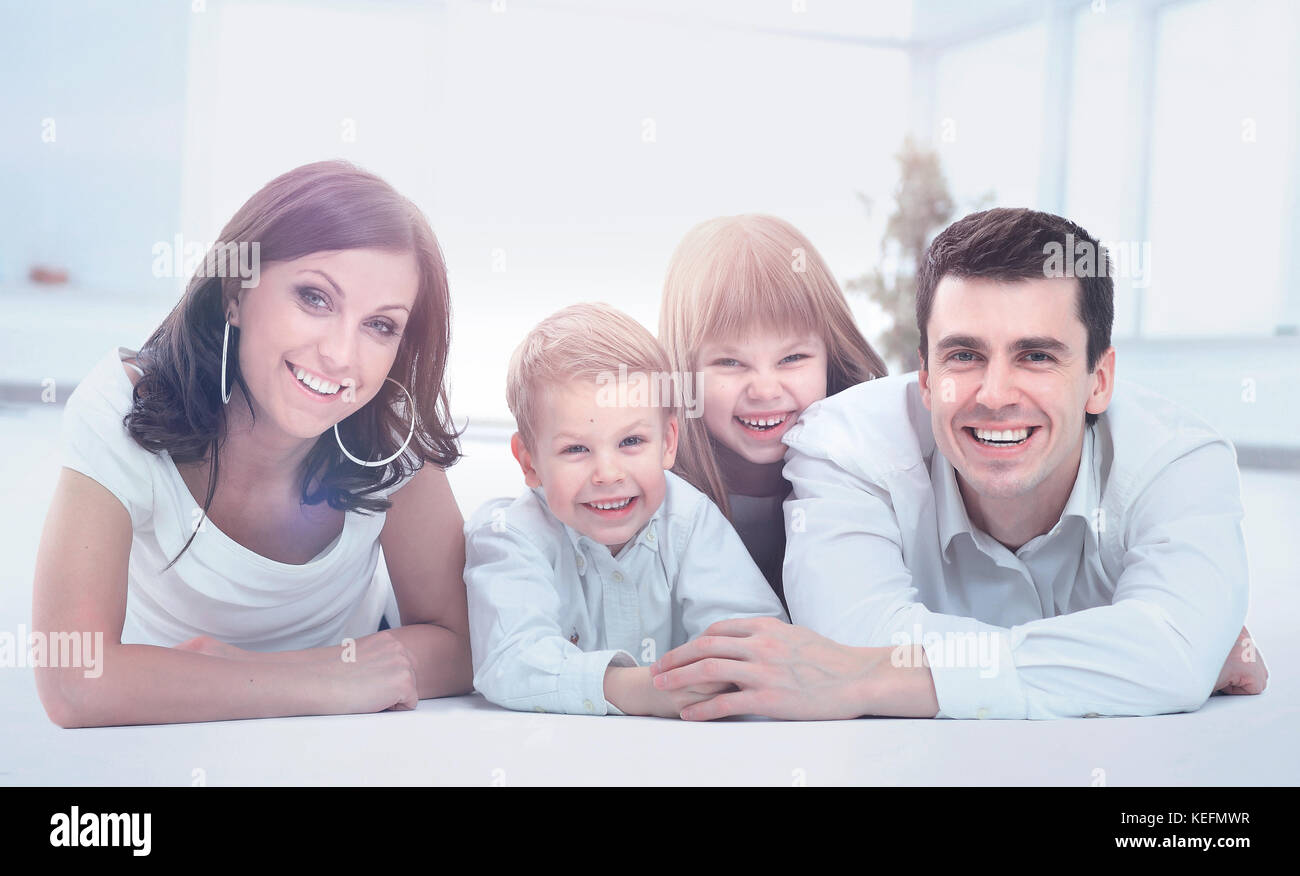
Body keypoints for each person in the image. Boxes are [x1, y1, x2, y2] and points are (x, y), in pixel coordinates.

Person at [649, 207, 1268, 720]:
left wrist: (872, 679)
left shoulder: (1181, 462)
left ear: (1098, 380)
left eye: (1036, 356)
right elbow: (844, 643)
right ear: (924, 376)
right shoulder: (842, 445)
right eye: (965, 355)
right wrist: (1129, 659)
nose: (995, 394)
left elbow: (847, 666)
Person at [33, 160, 473, 727]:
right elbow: (74, 682)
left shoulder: (390, 433)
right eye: (315, 298)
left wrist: (312, 677)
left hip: (344, 731)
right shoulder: (123, 409)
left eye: (380, 325)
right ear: (236, 293)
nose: (341, 355)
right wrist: (320, 680)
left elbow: (461, 645)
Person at [464, 303, 788, 718]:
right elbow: (510, 659)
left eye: (631, 442)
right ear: (529, 462)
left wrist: (725, 674)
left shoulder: (689, 520)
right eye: (576, 449)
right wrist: (628, 688)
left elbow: (753, 635)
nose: (608, 473)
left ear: (668, 442)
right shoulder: (509, 535)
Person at [659, 214, 887, 610]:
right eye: (730, 362)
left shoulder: (870, 477)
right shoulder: (655, 499)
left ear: (830, 359)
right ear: (684, 372)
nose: (765, 390)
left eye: (792, 357)